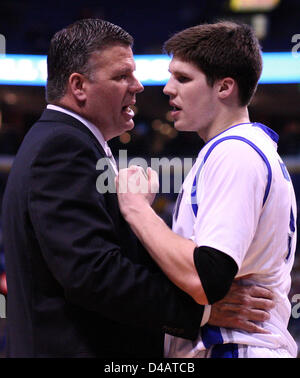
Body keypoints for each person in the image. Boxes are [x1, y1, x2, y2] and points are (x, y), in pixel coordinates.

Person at [2, 19, 274, 358]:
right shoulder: (62, 146)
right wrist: (202, 312)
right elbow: (92, 273)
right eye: (122, 76)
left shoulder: (68, 142)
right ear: (78, 86)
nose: (139, 86)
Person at [116, 21, 298, 358]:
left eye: (183, 78)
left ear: (225, 87)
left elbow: (205, 278)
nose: (169, 89)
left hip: (234, 347)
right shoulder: (235, 149)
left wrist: (135, 208)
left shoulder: (235, 152)